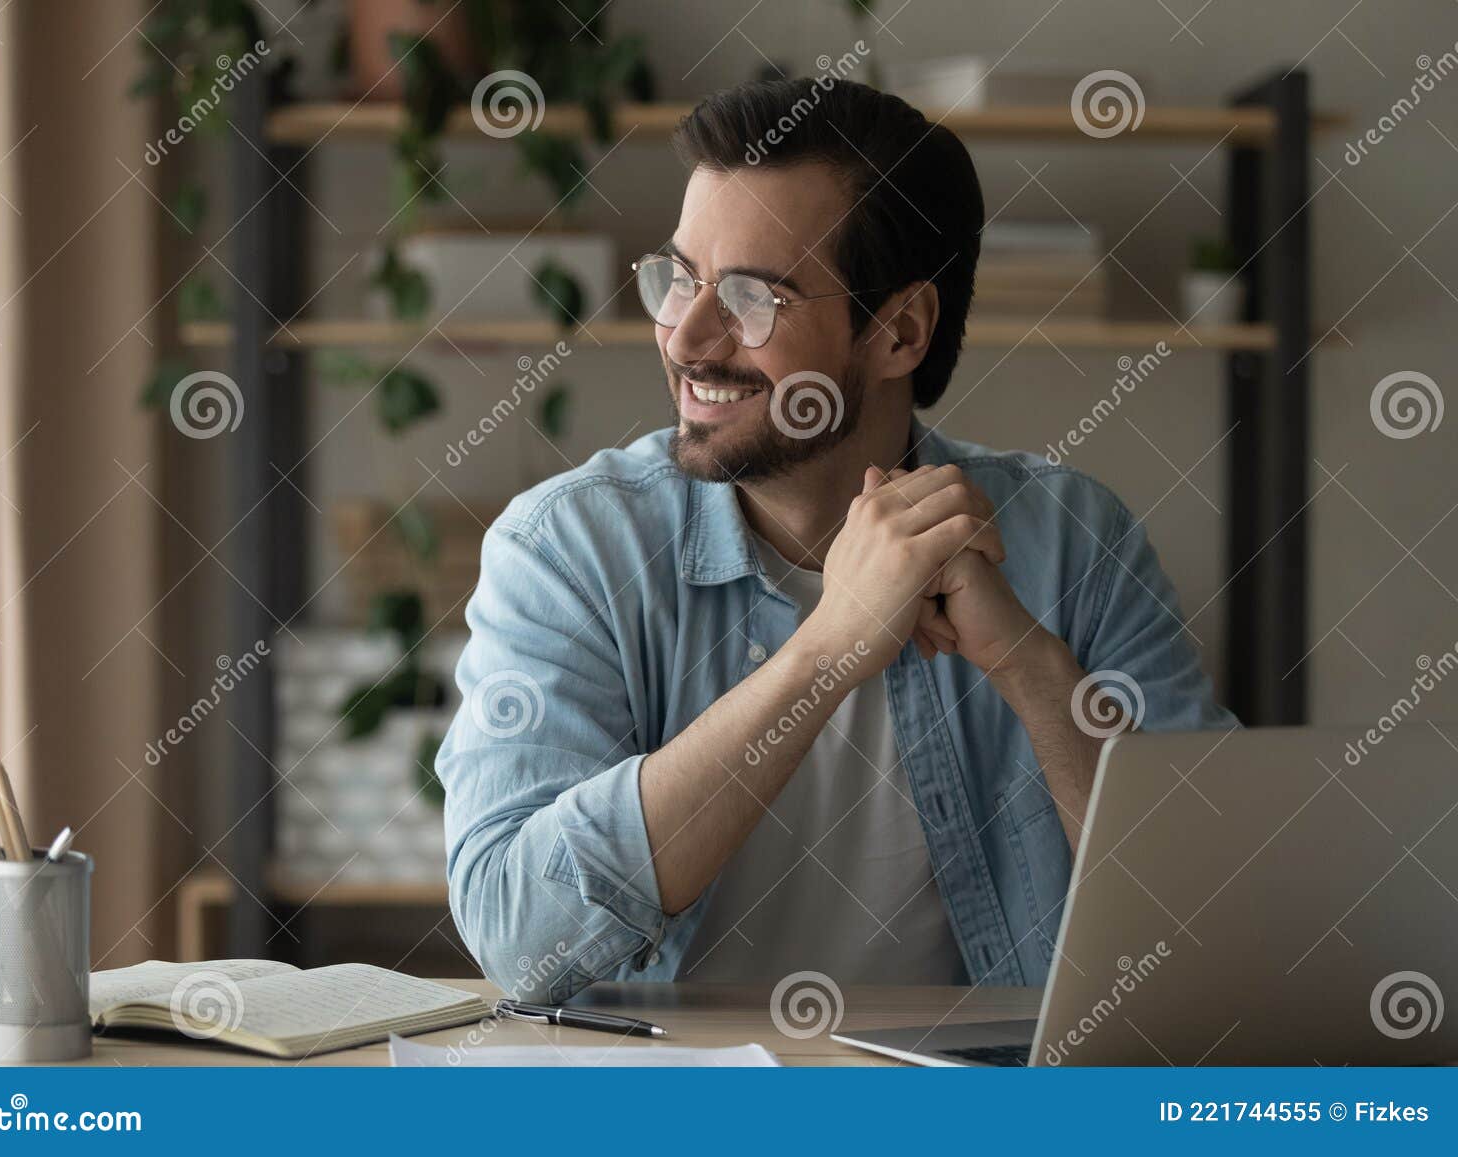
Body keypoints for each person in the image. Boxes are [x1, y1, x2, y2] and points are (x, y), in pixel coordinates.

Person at [436, 77, 1236, 1003]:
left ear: (899, 330)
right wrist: (827, 649)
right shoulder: (569, 550)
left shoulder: (1071, 538)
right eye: (680, 278)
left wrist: (1024, 660)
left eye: (751, 297)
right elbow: (516, 939)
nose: (687, 337)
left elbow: (1209, 926)